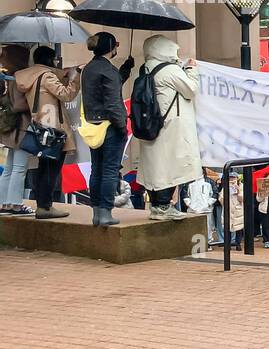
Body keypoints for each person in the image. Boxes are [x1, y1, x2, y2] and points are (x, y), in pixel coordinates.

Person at [133, 35, 201, 220]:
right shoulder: (170, 70)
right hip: (172, 125)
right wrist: (191, 69)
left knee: (155, 166)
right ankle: (163, 205)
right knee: (170, 166)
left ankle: (157, 204)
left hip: (153, 123)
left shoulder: (146, 68)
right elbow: (191, 89)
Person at [13, 46, 81, 220]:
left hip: (40, 126)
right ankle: (45, 206)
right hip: (53, 129)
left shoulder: (31, 76)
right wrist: (75, 78)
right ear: (49, 60)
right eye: (54, 60)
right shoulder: (47, 76)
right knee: (52, 169)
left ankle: (42, 204)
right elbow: (66, 95)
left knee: (43, 168)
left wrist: (63, 74)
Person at [81, 32, 134, 227]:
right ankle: (106, 212)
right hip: (111, 127)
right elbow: (113, 102)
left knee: (97, 169)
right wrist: (122, 127)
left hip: (93, 125)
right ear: (111, 47)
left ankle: (97, 213)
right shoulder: (108, 71)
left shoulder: (89, 69)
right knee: (110, 170)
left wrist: (124, 70)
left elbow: (105, 88)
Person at [0, 45, 34, 216]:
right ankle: (15, 204)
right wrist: (33, 103)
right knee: (20, 168)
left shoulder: (6, 77)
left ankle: (4, 203)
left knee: (9, 167)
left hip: (9, 128)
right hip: (21, 128)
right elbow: (19, 105)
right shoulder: (19, 78)